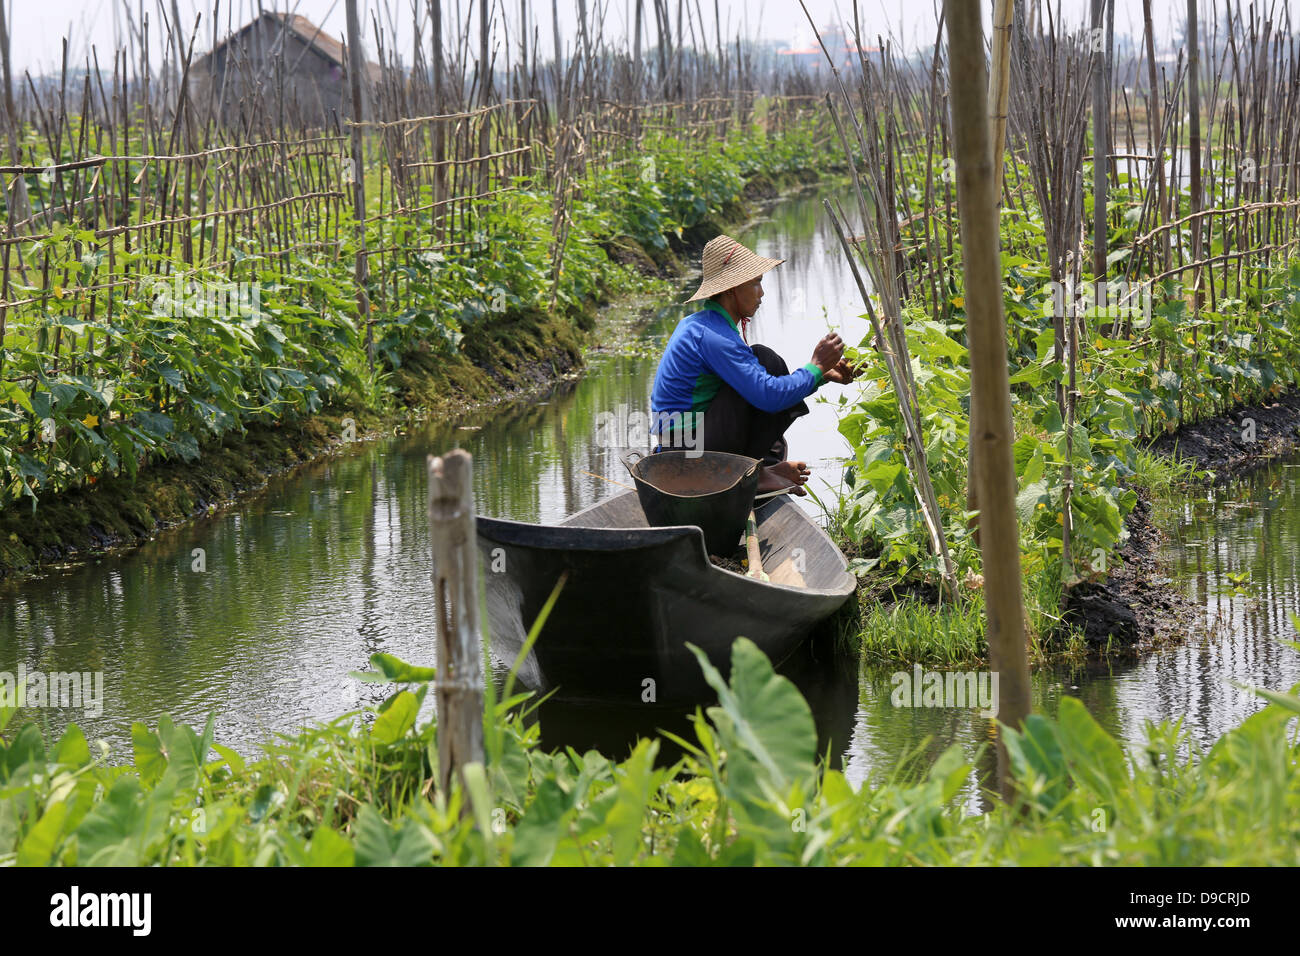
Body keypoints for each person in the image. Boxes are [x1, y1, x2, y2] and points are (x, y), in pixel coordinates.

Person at [650, 234, 858, 495]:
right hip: (685, 457)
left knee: (760, 361)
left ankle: (760, 469)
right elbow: (769, 395)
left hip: (685, 448)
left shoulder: (703, 325)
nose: (762, 293)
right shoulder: (712, 337)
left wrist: (821, 375)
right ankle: (751, 475)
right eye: (756, 283)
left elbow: (762, 387)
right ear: (730, 288)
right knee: (766, 363)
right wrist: (815, 366)